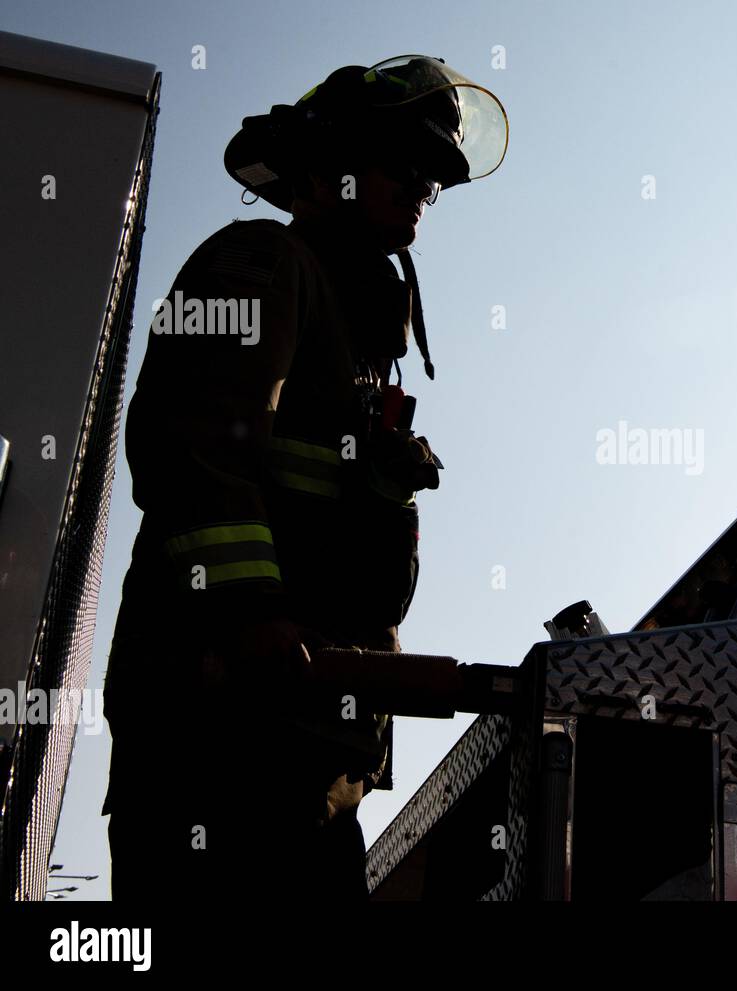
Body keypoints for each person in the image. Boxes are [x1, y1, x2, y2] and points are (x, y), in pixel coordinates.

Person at [101, 55, 507, 900]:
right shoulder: (259, 262)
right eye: (404, 162)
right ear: (327, 172)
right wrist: (253, 618)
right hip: (217, 745)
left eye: (432, 179)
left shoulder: (354, 353)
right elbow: (192, 452)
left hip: (310, 764)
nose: (420, 189)